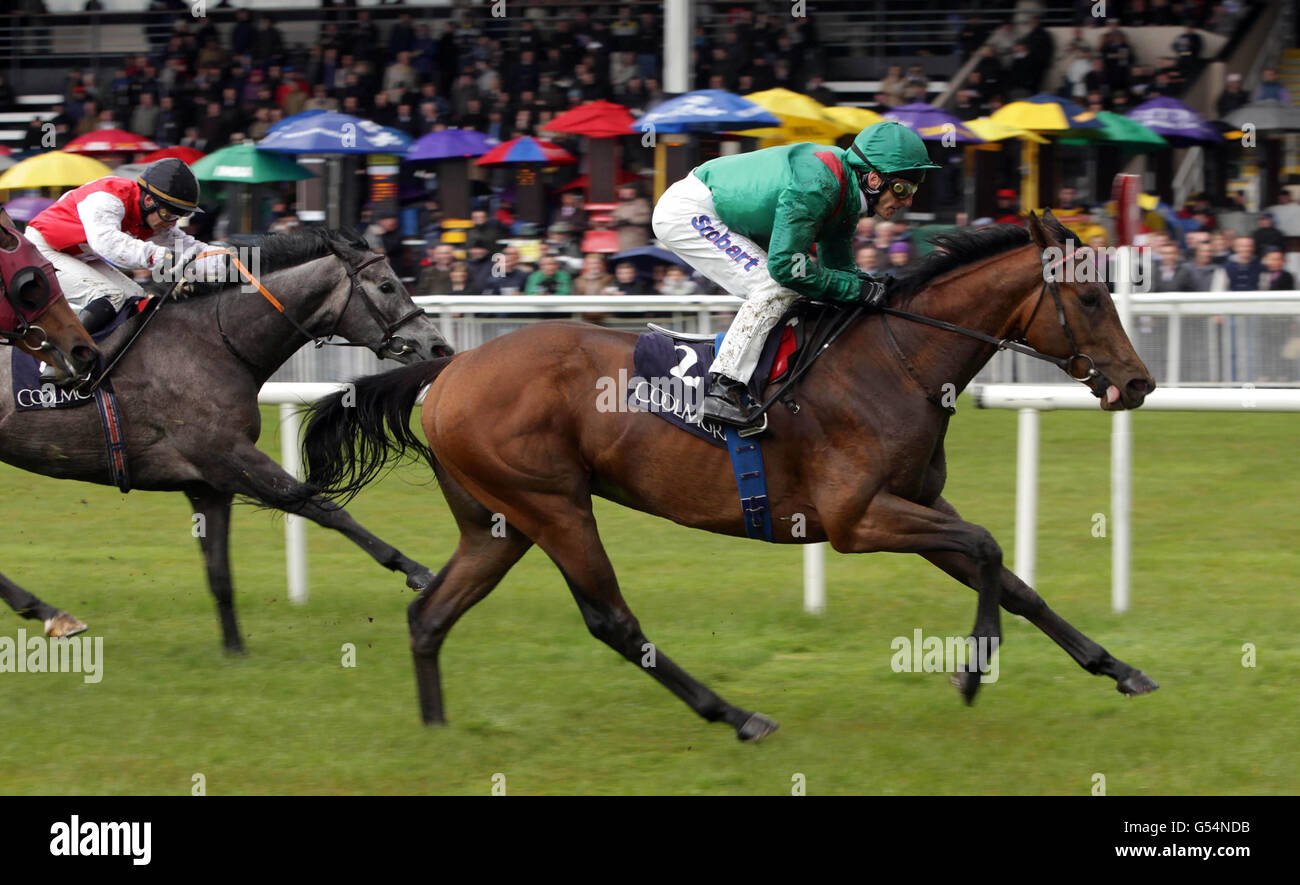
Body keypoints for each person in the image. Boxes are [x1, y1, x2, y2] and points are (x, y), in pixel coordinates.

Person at [652, 121, 940, 428]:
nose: (908, 201)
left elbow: (839, 271)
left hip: (719, 210)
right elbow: (787, 266)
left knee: (804, 290)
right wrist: (856, 289)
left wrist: (870, 287)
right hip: (689, 212)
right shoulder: (819, 185)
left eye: (913, 191)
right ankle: (723, 388)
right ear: (873, 178)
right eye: (903, 189)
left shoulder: (844, 189)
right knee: (774, 285)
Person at [26, 158, 222, 328]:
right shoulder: (107, 197)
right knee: (110, 296)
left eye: (179, 217)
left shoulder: (152, 217)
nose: (172, 223)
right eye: (169, 214)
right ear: (148, 201)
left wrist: (228, 259)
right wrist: (164, 259)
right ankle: (67, 355)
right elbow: (108, 244)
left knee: (136, 298)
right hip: (42, 250)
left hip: (76, 254)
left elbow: (188, 248)